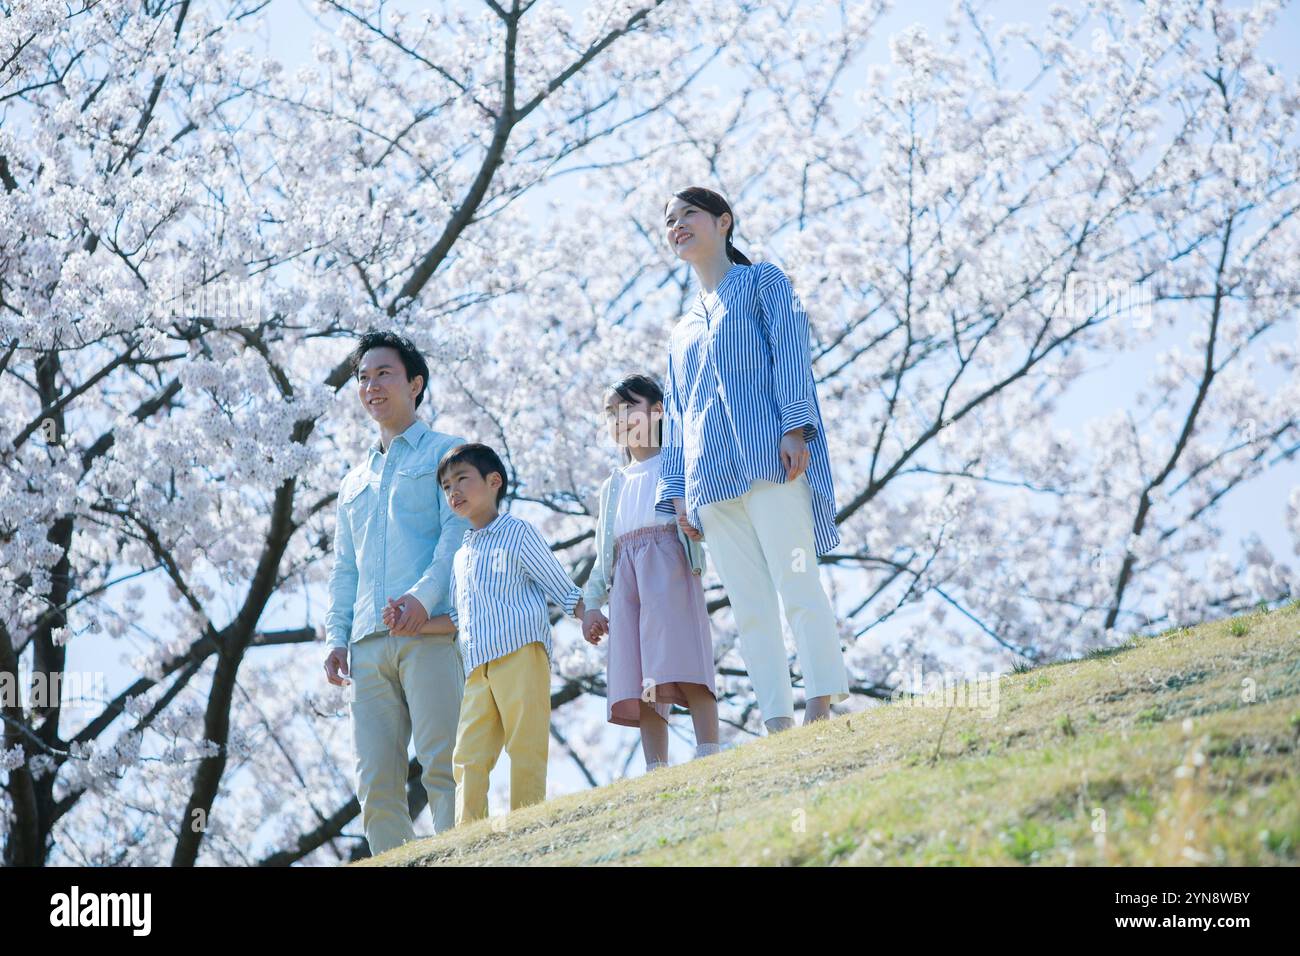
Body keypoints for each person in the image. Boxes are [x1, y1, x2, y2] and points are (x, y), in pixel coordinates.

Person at [655, 185, 849, 735]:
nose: (678, 226)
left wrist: (794, 426)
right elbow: (676, 412)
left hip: (770, 457)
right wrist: (676, 492)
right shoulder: (681, 328)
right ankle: (776, 719)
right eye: (670, 221)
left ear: (724, 222)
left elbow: (791, 354)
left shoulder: (765, 282)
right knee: (749, 605)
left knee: (797, 583)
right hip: (709, 481)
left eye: (688, 214)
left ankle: (820, 702)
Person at [323, 330, 470, 855]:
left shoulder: (447, 454)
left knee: (444, 762)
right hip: (366, 643)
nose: (370, 386)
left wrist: (420, 600)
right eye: (362, 378)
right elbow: (345, 567)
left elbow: (454, 538)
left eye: (383, 374)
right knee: (376, 785)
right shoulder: (352, 481)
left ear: (415, 383)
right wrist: (335, 636)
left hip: (427, 633)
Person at [426, 442, 586, 824]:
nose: (454, 492)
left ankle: (527, 823)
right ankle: (469, 837)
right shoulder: (461, 556)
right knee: (468, 755)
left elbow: (558, 583)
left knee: (525, 744)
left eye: (462, 479)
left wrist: (586, 612)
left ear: (493, 481)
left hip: (520, 653)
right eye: (446, 487)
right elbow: (457, 616)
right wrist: (415, 627)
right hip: (477, 668)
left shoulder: (515, 532)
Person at [581, 373, 721, 771]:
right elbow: (604, 551)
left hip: (668, 564)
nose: (618, 418)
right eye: (610, 412)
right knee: (641, 672)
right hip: (626, 575)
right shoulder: (614, 485)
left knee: (685, 655)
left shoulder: (675, 463)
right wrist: (592, 603)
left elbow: (700, 514)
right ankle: (655, 766)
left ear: (657, 410)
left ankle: (709, 747)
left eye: (628, 407)